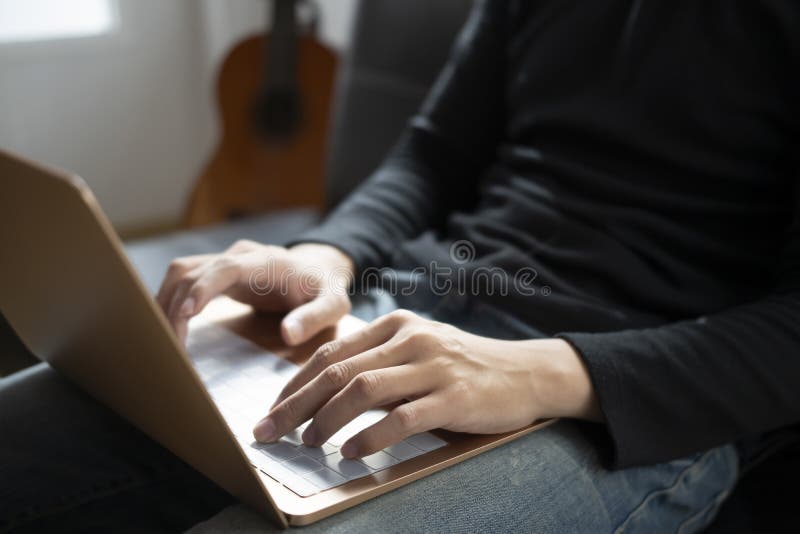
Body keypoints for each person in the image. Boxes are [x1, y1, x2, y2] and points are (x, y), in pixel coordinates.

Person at [2, 1, 799, 532]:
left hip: (632, 399)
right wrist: (324, 254)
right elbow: (435, 150)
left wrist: (537, 373)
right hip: (408, 307)